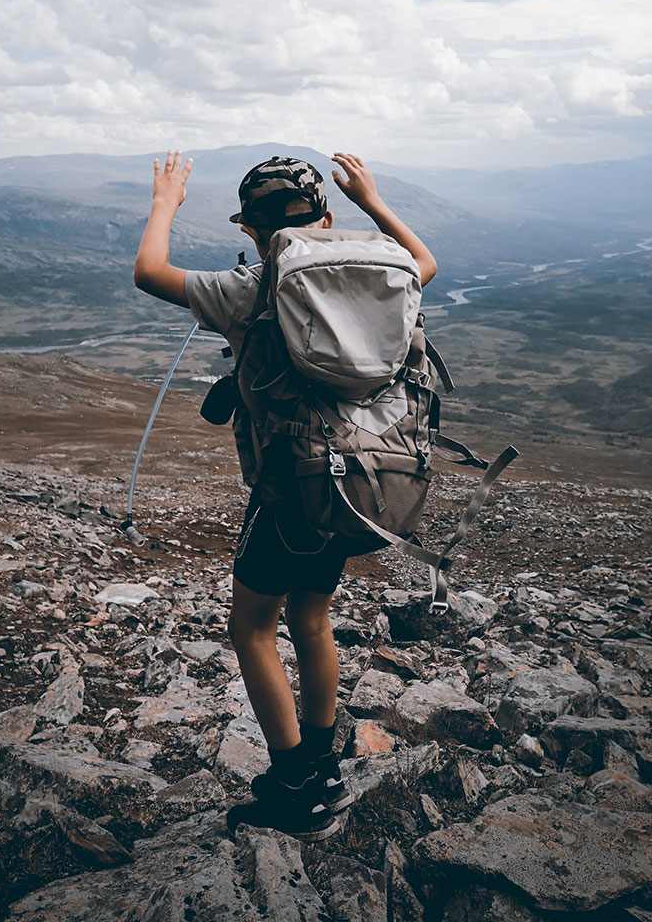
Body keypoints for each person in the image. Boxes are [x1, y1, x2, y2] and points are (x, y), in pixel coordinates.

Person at [134, 150, 437, 840]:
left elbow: (149, 272)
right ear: (326, 217)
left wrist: (166, 203)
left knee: (251, 628)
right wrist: (373, 201)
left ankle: (295, 785)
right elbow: (428, 264)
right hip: (356, 486)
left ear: (250, 231)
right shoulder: (385, 280)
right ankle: (324, 765)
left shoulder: (253, 288)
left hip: (287, 488)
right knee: (312, 618)